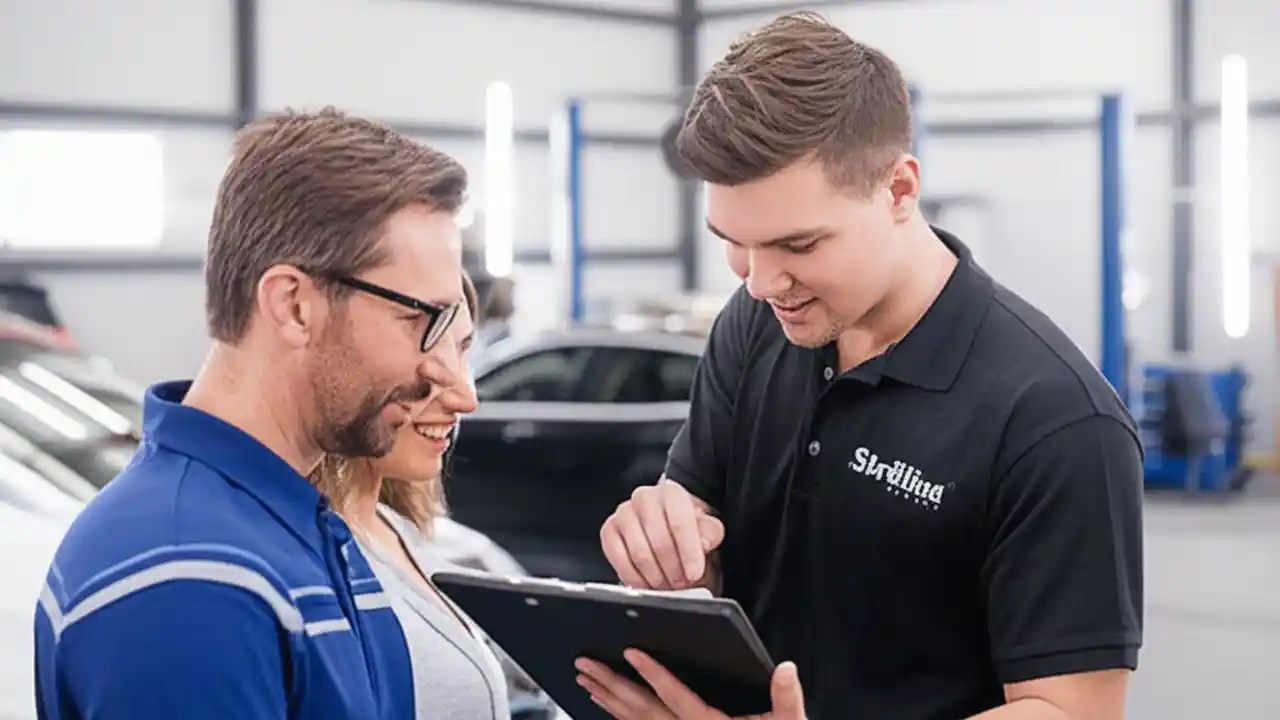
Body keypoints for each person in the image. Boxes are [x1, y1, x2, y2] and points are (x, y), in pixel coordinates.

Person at [584, 12, 1143, 720]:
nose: (760, 281)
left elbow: (1072, 711)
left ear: (900, 190)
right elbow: (705, 519)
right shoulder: (755, 323)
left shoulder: (1055, 420)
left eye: (799, 245)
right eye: (734, 242)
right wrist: (672, 544)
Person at [34, 108, 471, 719]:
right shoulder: (187, 581)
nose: (452, 380)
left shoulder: (302, 529)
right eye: (421, 321)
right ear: (293, 306)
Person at [309, 272, 509, 720]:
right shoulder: (310, 563)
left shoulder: (396, 529)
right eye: (429, 351)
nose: (466, 397)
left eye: (461, 351)